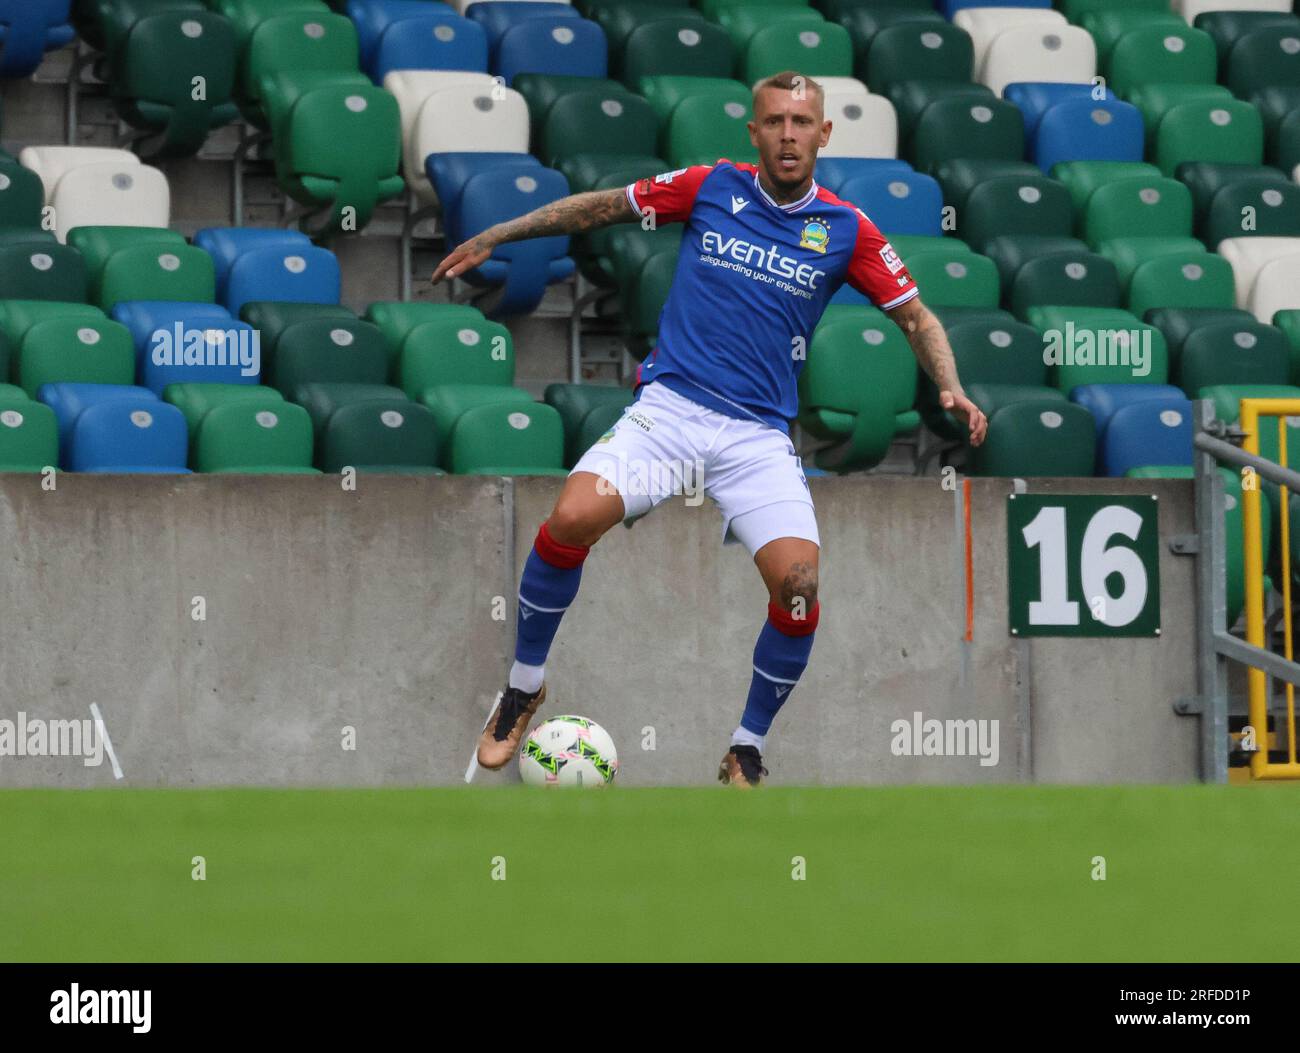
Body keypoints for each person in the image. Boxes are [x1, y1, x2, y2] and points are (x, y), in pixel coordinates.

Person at [432, 70, 988, 787]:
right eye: (774, 121)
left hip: (756, 438)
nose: (788, 134)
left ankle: (744, 747)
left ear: (825, 134)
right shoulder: (709, 187)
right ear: (753, 133)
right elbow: (602, 208)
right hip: (670, 412)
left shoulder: (847, 230)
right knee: (571, 517)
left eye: (801, 121)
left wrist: (949, 384)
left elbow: (915, 315)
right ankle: (523, 685)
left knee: (798, 585)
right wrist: (500, 232)